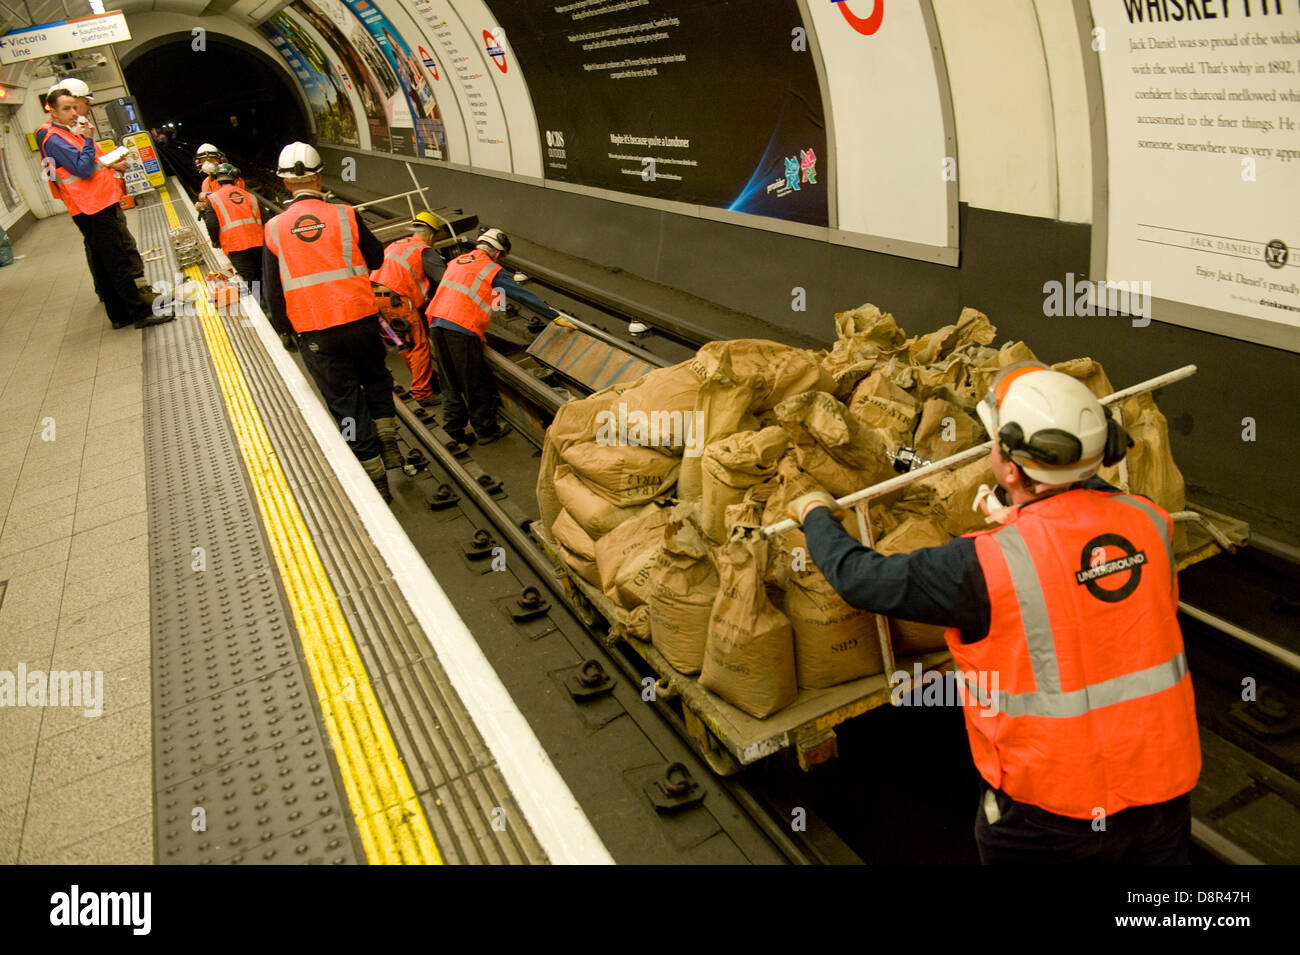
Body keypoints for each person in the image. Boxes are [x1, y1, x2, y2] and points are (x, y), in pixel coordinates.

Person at [785, 363, 1200, 864]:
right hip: (1164, 788)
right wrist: (1021, 520)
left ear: (1009, 468)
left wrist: (814, 513)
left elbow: (861, 579)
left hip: (1052, 812)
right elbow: (1086, 575)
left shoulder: (985, 564)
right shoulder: (1149, 521)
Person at [261, 141, 400, 501]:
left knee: (344, 400)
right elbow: (376, 256)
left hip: (315, 330)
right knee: (376, 379)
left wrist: (284, 329)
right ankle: (389, 442)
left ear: (286, 183)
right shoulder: (345, 214)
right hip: (360, 318)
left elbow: (273, 292)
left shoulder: (274, 228)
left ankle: (374, 477)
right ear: (319, 177)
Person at [38, 88, 169, 329]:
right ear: (53, 112)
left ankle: (119, 315)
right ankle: (139, 314)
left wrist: (110, 165)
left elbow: (90, 164)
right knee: (117, 260)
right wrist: (88, 138)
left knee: (103, 261)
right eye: (66, 109)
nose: (73, 112)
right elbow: (83, 168)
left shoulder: (66, 133)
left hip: (95, 203)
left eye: (73, 107)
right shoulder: (54, 139)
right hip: (91, 207)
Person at [425, 227, 562, 444]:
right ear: (497, 253)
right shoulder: (491, 269)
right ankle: (486, 430)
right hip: (460, 328)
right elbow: (523, 295)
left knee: (449, 380)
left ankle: (454, 431)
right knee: (474, 382)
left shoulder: (459, 260)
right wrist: (554, 316)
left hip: (436, 322)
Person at [370, 210, 445, 408]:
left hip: (377, 299)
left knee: (404, 343)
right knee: (420, 345)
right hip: (398, 301)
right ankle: (422, 392)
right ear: (431, 234)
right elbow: (445, 281)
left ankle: (425, 381)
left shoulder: (397, 245)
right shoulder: (424, 250)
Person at [200, 162, 264, 295]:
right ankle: (267, 302)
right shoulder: (250, 196)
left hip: (235, 245)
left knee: (250, 280)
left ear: (217, 180)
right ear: (236, 180)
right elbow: (262, 219)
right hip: (258, 243)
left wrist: (215, 241)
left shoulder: (214, 199)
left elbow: (211, 223)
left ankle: (262, 308)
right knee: (260, 275)